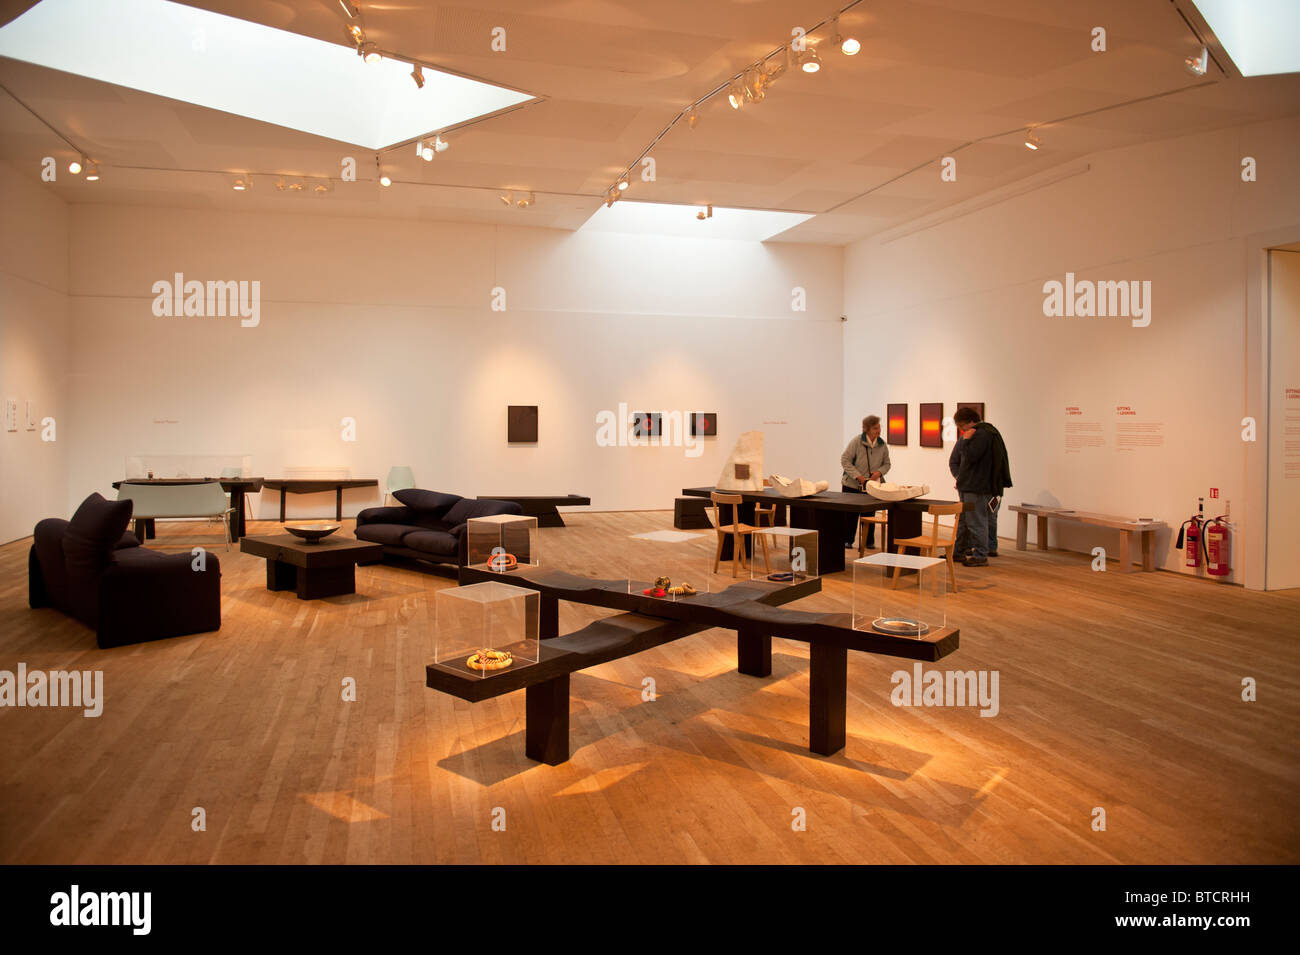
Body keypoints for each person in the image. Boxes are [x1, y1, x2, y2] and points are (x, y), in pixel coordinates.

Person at [952, 407, 1012, 566]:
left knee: (976, 521)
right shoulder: (987, 433)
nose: (961, 430)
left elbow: (971, 457)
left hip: (976, 487)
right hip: (971, 485)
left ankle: (980, 555)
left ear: (970, 422)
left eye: (961, 426)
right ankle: (958, 552)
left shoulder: (981, 434)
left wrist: (965, 440)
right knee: (965, 520)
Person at [841, 414, 891, 549]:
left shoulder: (882, 444)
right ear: (867, 430)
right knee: (850, 515)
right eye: (875, 428)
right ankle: (848, 540)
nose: (878, 431)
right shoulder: (856, 442)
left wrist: (879, 473)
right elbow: (845, 460)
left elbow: (887, 464)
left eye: (879, 428)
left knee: (869, 514)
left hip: (871, 486)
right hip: (852, 485)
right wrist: (858, 476)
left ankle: (868, 541)